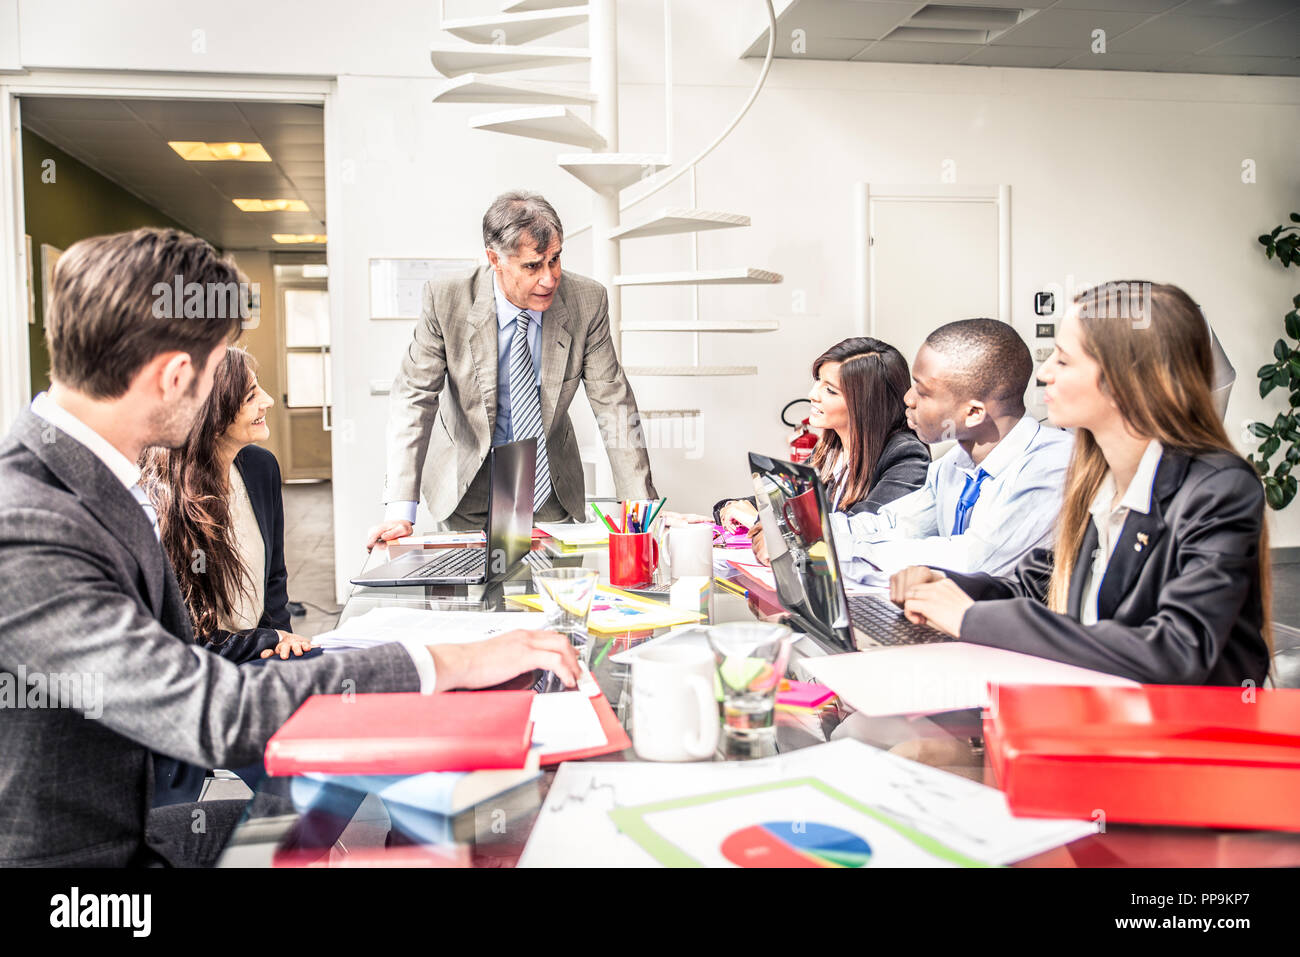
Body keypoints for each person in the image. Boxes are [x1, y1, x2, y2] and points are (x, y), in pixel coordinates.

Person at [0, 227, 579, 867]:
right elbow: (211, 709)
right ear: (173, 376)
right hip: (86, 872)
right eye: (223, 362)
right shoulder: (26, 525)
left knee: (389, 802)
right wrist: (447, 661)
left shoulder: (98, 474)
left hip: (147, 813)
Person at [891, 282, 1272, 687]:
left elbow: (1178, 650)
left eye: (1064, 361)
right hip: (1097, 706)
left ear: (1126, 382)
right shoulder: (1096, 476)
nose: (1044, 373)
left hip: (1188, 733)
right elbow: (1037, 583)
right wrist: (945, 583)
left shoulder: (1219, 488)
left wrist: (970, 618)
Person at [369, 190, 656, 544]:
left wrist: (641, 507)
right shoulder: (446, 299)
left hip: (547, 483)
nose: (549, 278)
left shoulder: (587, 300)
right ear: (495, 258)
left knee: (556, 593)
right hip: (465, 480)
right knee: (472, 591)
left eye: (555, 259)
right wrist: (399, 509)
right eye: (532, 266)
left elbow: (613, 401)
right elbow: (413, 399)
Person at [828, 318, 1074, 579]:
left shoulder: (1051, 465)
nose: (908, 399)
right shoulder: (957, 463)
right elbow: (894, 524)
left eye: (923, 392)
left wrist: (847, 553)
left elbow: (972, 560)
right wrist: (815, 530)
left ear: (974, 412)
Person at [141, 346, 304, 663]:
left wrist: (283, 647)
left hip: (262, 653)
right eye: (250, 397)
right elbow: (184, 638)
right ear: (213, 418)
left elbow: (275, 580)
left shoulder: (261, 469)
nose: (268, 401)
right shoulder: (162, 500)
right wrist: (267, 640)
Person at [716, 337, 931, 561]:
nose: (813, 394)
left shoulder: (906, 456)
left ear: (867, 403)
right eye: (818, 380)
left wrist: (761, 521)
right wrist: (730, 508)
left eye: (830, 390)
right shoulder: (830, 449)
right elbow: (786, 500)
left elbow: (861, 528)